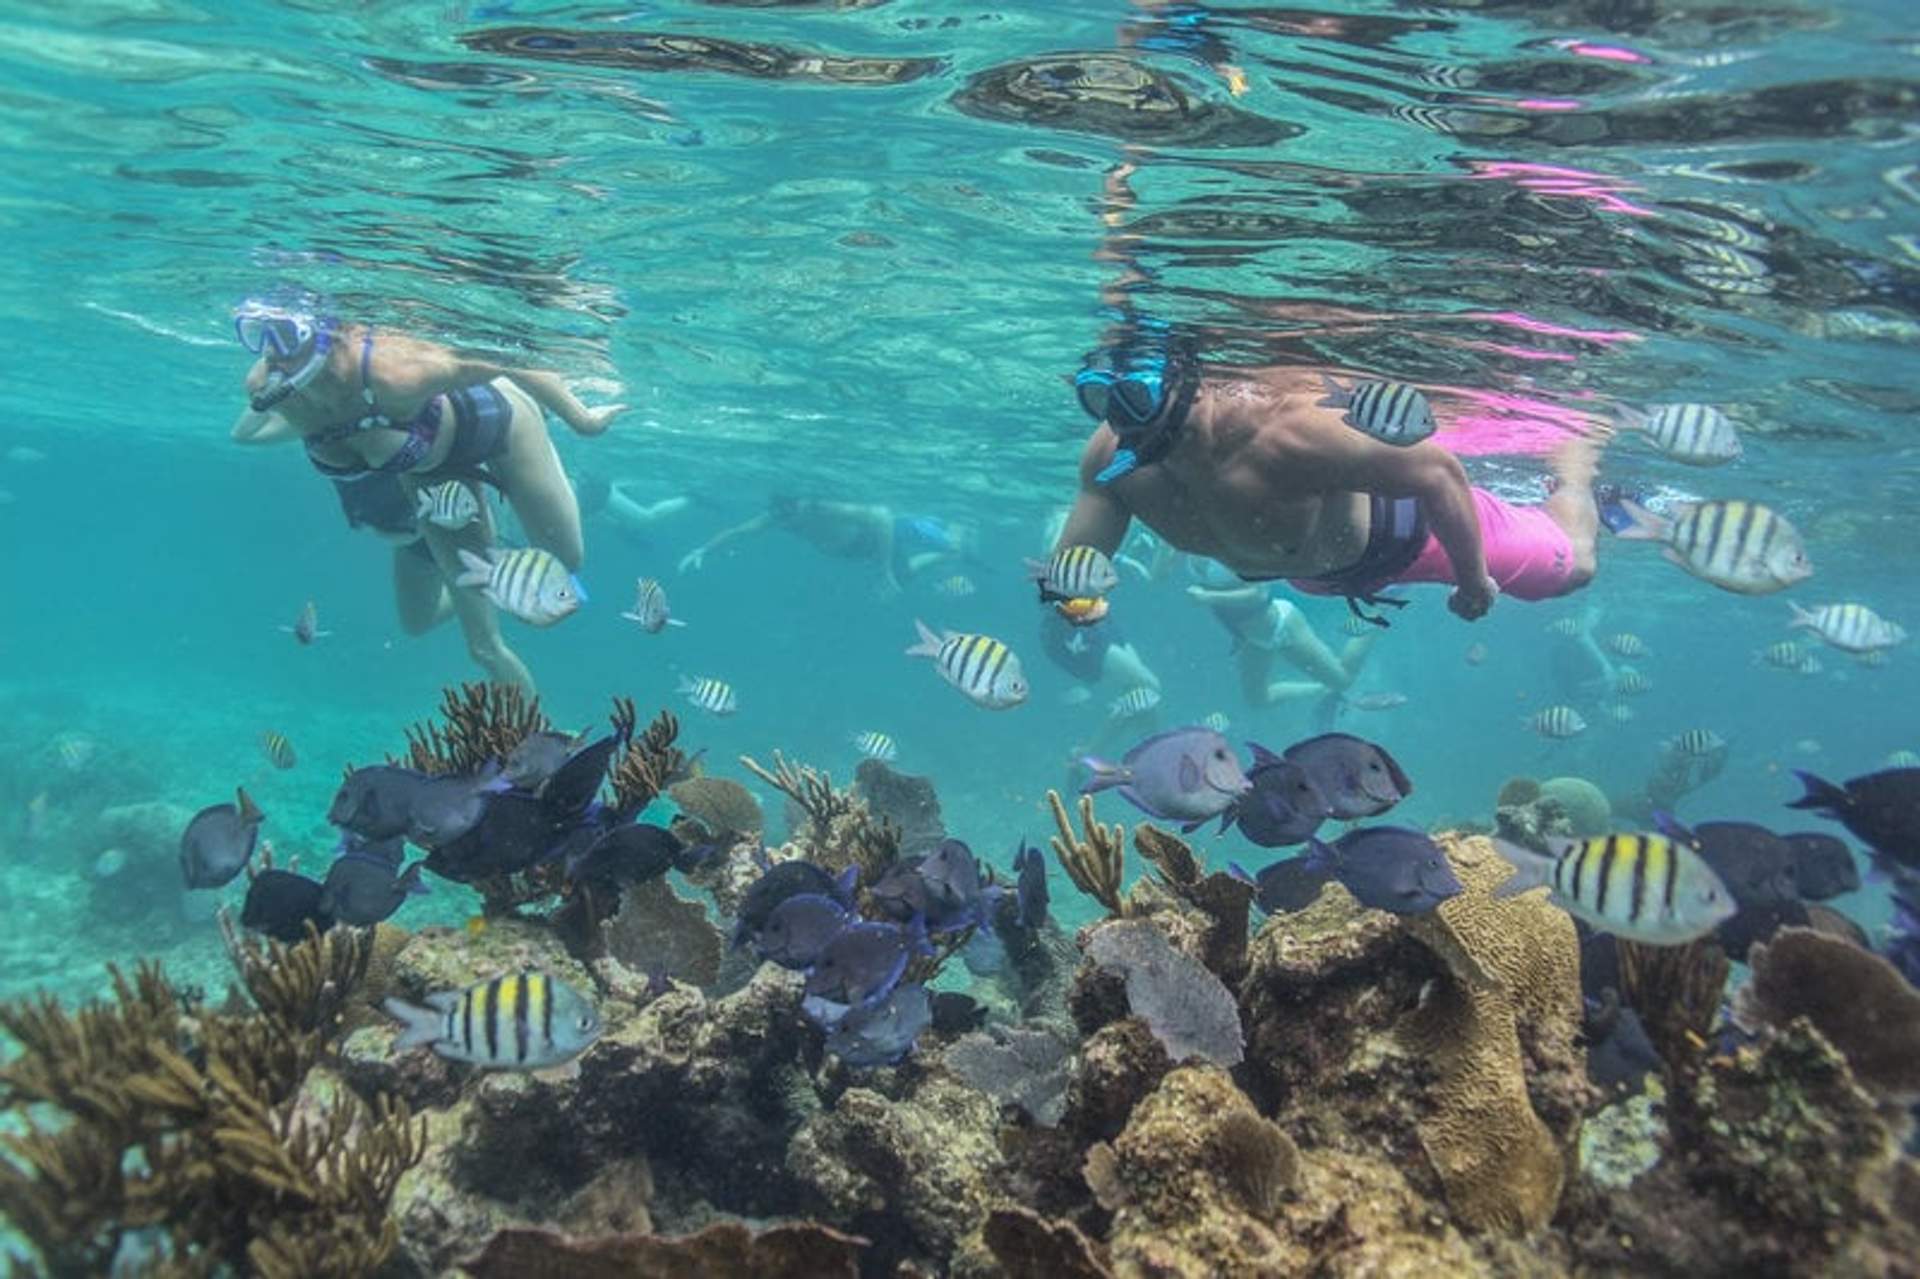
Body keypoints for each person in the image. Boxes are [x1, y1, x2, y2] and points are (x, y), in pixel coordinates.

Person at [1054, 327, 1606, 628]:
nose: (1126, 418)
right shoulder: (1111, 463)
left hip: (1417, 538)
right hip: (1312, 572)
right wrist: (1074, 602)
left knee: (1575, 566)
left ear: (1193, 382)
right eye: (1102, 400)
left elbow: (1440, 474)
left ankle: (1575, 464)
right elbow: (1075, 566)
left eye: (1139, 396)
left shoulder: (1288, 433)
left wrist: (1471, 581)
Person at [229, 293, 623, 690]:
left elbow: (510, 355)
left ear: (323, 337)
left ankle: (548, 487)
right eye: (259, 337)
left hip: (498, 423)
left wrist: (583, 420)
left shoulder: (394, 371)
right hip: (434, 479)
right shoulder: (273, 390)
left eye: (285, 337)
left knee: (567, 561)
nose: (271, 356)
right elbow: (247, 433)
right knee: (484, 648)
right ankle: (539, 745)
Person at [1179, 556, 1377, 715]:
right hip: (1250, 639)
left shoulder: (1225, 542)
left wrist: (1209, 597)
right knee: (1257, 700)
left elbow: (1259, 592)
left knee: (1342, 680)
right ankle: (1319, 689)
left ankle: (1377, 615)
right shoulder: (1176, 537)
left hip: (1282, 626)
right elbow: (1156, 576)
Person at [677, 494, 973, 596]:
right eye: (784, 517)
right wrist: (703, 549)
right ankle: (936, 539)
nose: (792, 522)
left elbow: (882, 516)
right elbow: (739, 532)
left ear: (802, 504)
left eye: (794, 513)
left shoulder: (822, 507)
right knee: (904, 575)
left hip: (885, 534)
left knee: (948, 548)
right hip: (852, 551)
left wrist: (885, 570)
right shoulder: (778, 517)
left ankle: (958, 523)